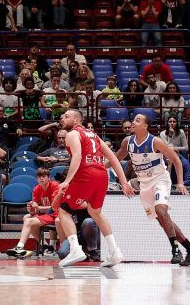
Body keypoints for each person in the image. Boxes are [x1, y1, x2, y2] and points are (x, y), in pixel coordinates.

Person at [113, 114, 190, 265]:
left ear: (145, 126)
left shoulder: (156, 141)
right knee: (162, 220)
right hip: (144, 185)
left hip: (160, 179)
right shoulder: (127, 142)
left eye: (137, 120)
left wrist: (180, 183)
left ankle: (175, 250)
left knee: (162, 211)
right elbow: (115, 160)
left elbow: (176, 160)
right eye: (134, 119)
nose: (133, 122)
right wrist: (99, 166)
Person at [57, 109, 134, 268]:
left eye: (66, 116)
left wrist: (67, 181)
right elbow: (112, 157)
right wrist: (124, 181)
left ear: (77, 120)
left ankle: (75, 249)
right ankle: (114, 251)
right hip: (101, 175)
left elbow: (77, 157)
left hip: (86, 174)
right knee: (95, 212)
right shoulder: (93, 134)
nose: (63, 119)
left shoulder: (72, 134)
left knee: (63, 210)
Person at [7, 168, 61, 257]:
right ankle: (45, 246)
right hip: (45, 215)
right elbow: (36, 210)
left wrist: (38, 208)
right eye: (39, 177)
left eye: (43, 176)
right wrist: (31, 210)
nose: (41, 179)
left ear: (49, 177)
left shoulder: (55, 186)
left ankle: (19, 247)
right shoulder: (36, 189)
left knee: (29, 221)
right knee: (26, 217)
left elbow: (54, 207)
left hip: (55, 214)